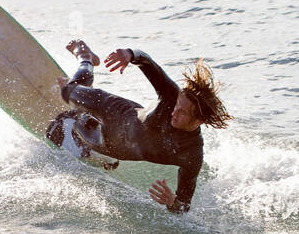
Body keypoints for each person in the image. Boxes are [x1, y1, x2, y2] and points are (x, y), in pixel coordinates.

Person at [46, 40, 231, 213]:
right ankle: (85, 57)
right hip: (115, 110)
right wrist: (129, 55)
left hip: (111, 146)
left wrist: (171, 202)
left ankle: (82, 112)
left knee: (75, 128)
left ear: (199, 121)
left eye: (182, 113)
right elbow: (149, 64)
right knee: (68, 92)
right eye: (176, 106)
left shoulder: (190, 153)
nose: (174, 112)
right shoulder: (171, 97)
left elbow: (183, 206)